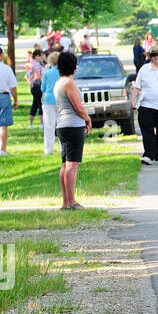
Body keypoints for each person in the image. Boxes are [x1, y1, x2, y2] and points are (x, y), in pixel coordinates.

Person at [52, 51, 93, 210]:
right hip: (72, 126)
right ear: (74, 66)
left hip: (62, 125)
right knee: (72, 164)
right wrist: (87, 119)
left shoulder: (59, 82)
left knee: (65, 164)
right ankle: (71, 202)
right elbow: (78, 107)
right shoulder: (69, 84)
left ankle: (65, 202)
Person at [131, 46, 158, 165]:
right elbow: (137, 86)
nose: (156, 57)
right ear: (150, 57)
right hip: (146, 104)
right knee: (147, 131)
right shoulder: (144, 69)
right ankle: (149, 155)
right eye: (154, 55)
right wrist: (133, 100)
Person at [40, 51, 61, 155]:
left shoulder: (47, 73)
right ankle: (62, 147)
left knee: (48, 125)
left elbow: (42, 88)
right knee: (61, 124)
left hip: (48, 100)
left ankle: (48, 150)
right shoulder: (62, 73)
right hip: (60, 99)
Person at [25, 48, 45, 129]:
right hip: (38, 85)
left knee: (35, 104)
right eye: (41, 56)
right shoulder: (36, 64)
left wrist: (30, 82)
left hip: (33, 86)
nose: (42, 57)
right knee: (39, 104)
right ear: (37, 56)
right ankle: (41, 124)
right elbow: (37, 76)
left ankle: (31, 124)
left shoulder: (30, 63)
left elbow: (26, 76)